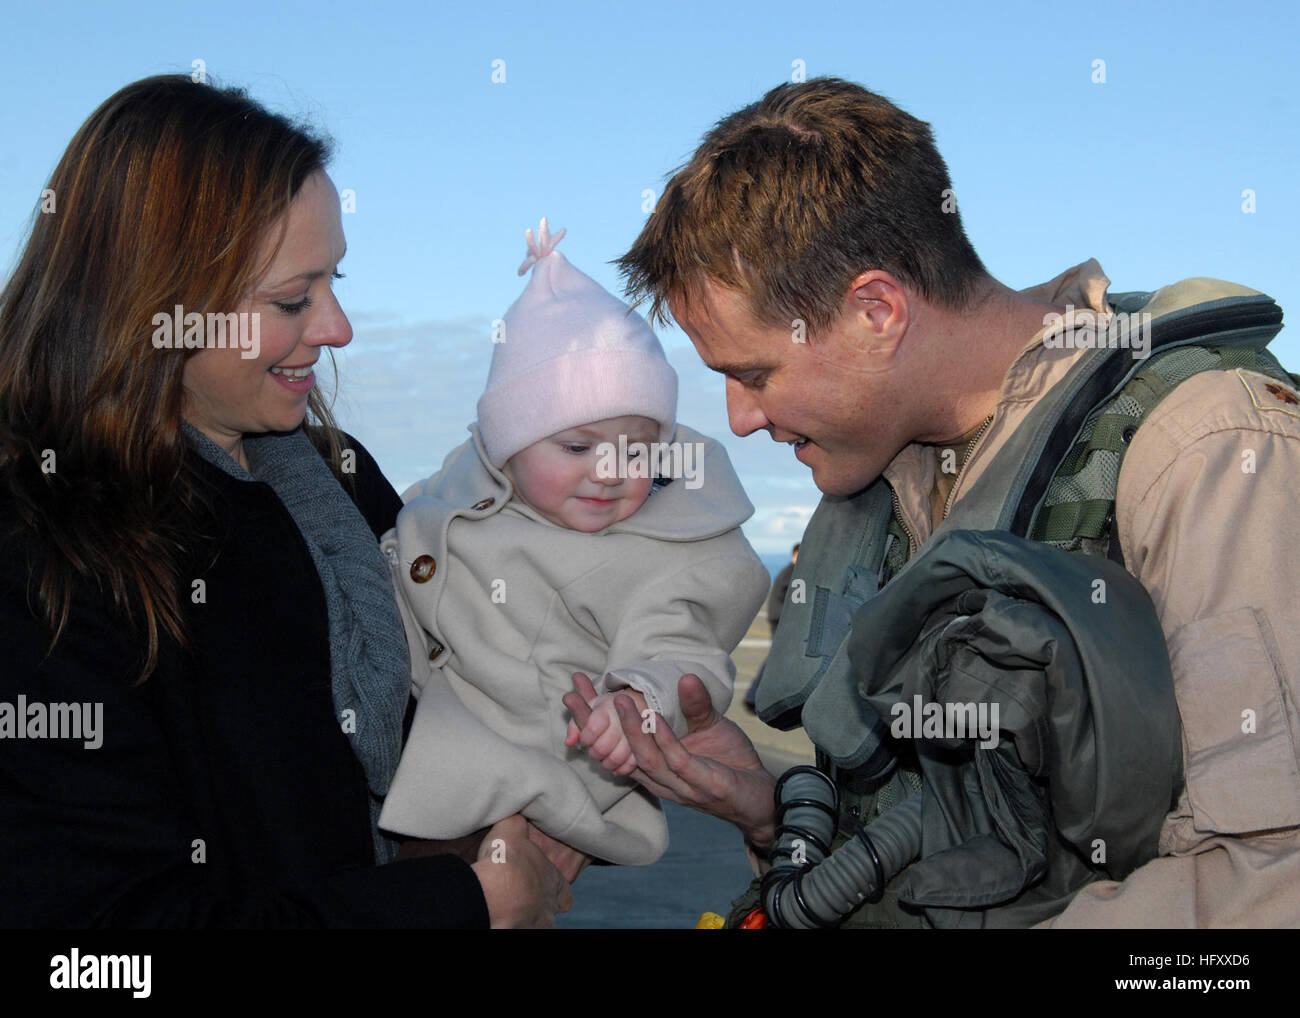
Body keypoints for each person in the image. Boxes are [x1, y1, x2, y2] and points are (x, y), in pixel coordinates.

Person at [576, 76, 1300, 927]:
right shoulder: (880, 484)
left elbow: (1269, 884)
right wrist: (777, 816)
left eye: (755, 374)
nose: (739, 421)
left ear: (876, 309)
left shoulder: (1206, 448)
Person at [0, 74, 569, 927]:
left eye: (334, 281)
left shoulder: (334, 477)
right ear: (157, 300)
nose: (338, 327)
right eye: (292, 300)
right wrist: (462, 905)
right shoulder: (40, 542)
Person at [377, 221, 769, 871]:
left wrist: (637, 704)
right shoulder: (457, 490)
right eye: (579, 447)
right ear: (509, 446)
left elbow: (683, 649)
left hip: (519, 789)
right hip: (406, 735)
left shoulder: (671, 550)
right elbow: (401, 559)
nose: (611, 470)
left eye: (637, 449)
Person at [744, 542, 797, 712]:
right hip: (783, 620)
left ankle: (757, 698)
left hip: (780, 618)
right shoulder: (795, 573)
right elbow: (798, 602)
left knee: (781, 659)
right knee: (778, 659)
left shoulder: (790, 572)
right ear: (796, 555)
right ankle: (754, 698)